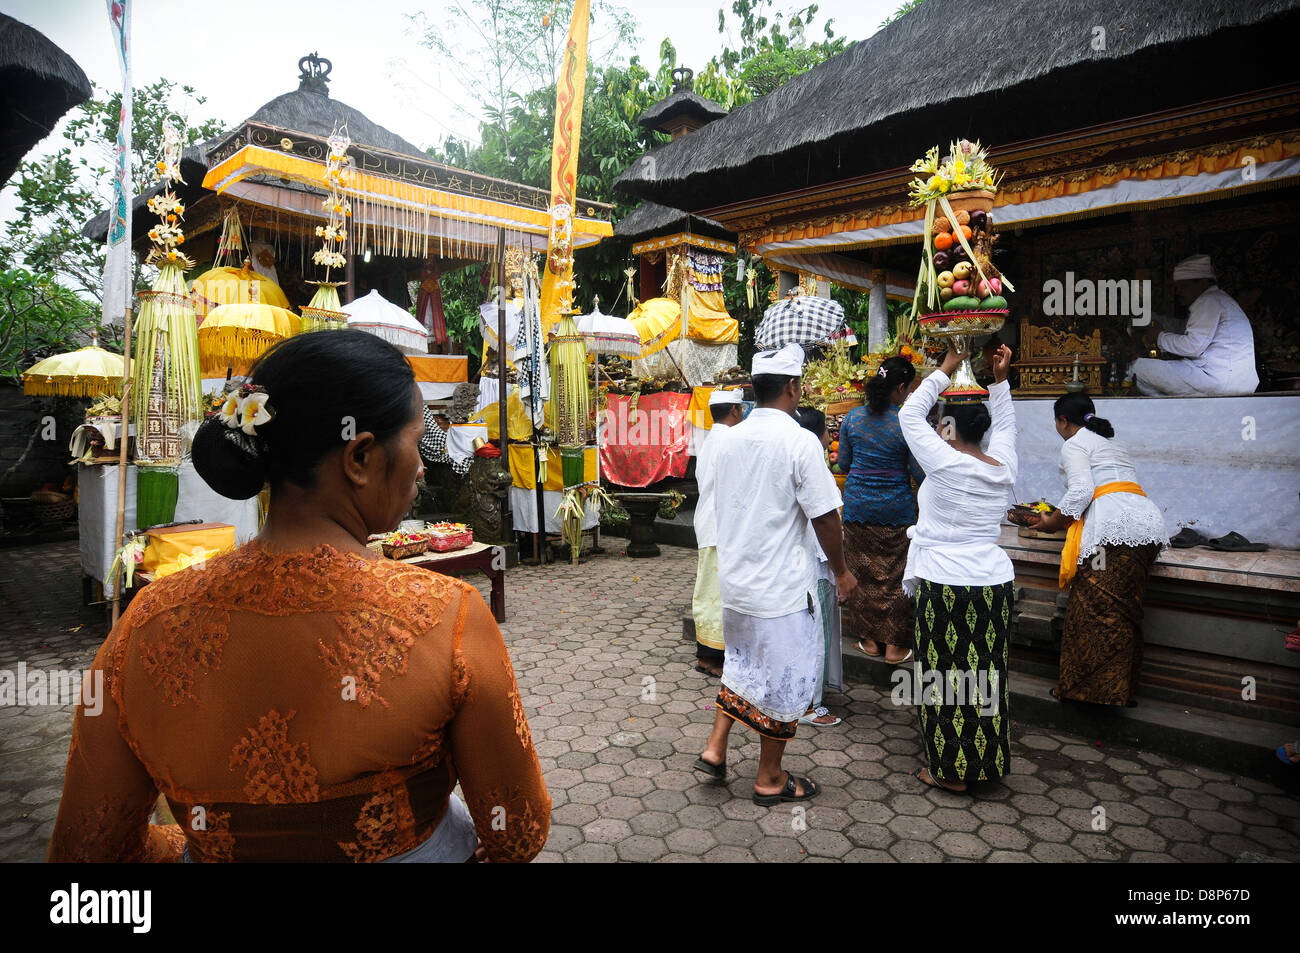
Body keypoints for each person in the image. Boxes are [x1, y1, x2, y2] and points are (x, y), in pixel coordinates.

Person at [46, 330, 550, 863]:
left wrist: (201, 845)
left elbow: (87, 851)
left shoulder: (148, 621)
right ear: (360, 457)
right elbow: (517, 831)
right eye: (417, 439)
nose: (423, 466)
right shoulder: (447, 615)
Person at [693, 343, 857, 804]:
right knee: (785, 682)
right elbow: (826, 516)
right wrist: (842, 572)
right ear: (793, 387)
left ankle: (715, 747)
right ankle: (769, 778)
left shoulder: (728, 440)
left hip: (737, 586)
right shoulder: (799, 441)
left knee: (743, 667)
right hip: (780, 592)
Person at [898, 344, 1016, 793]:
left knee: (944, 679)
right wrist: (1000, 382)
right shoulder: (1002, 465)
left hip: (946, 582)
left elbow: (910, 416)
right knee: (985, 675)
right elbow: (1007, 426)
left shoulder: (945, 462)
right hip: (992, 583)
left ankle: (949, 771)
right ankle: (985, 764)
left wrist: (944, 370)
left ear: (948, 428)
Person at [1008, 393, 1166, 707]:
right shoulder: (1113, 444)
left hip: (1112, 529)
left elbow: (1081, 491)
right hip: (1148, 526)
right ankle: (1122, 691)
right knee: (1125, 612)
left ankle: (1086, 693)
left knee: (1091, 612)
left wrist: (1053, 521)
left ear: (1062, 420)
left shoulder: (1074, 443)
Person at [838, 356, 925, 664]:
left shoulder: (852, 418)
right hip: (896, 512)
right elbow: (919, 472)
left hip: (858, 507)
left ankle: (869, 641)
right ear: (901, 387)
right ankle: (895, 647)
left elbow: (843, 464)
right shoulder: (907, 422)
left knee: (862, 576)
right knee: (895, 578)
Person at [1131, 254, 1259, 396]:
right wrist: (1155, 320)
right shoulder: (1219, 300)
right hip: (1235, 380)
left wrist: (1159, 337)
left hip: (1219, 380)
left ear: (1203, 282)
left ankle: (1170, 411)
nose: (1178, 292)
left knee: (1136, 368)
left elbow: (1192, 346)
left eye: (1183, 287)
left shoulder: (1208, 301)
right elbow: (1183, 328)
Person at [794, 406, 844, 727]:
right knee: (815, 631)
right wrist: (842, 568)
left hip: (806, 559)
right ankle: (809, 704)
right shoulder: (811, 462)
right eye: (826, 429)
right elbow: (825, 519)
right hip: (817, 560)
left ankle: (808, 694)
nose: (830, 436)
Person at [691, 389, 744, 678]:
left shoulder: (712, 438)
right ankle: (711, 657)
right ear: (735, 410)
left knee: (709, 591)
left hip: (710, 522)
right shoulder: (730, 440)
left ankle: (709, 653)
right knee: (716, 593)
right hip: (720, 525)